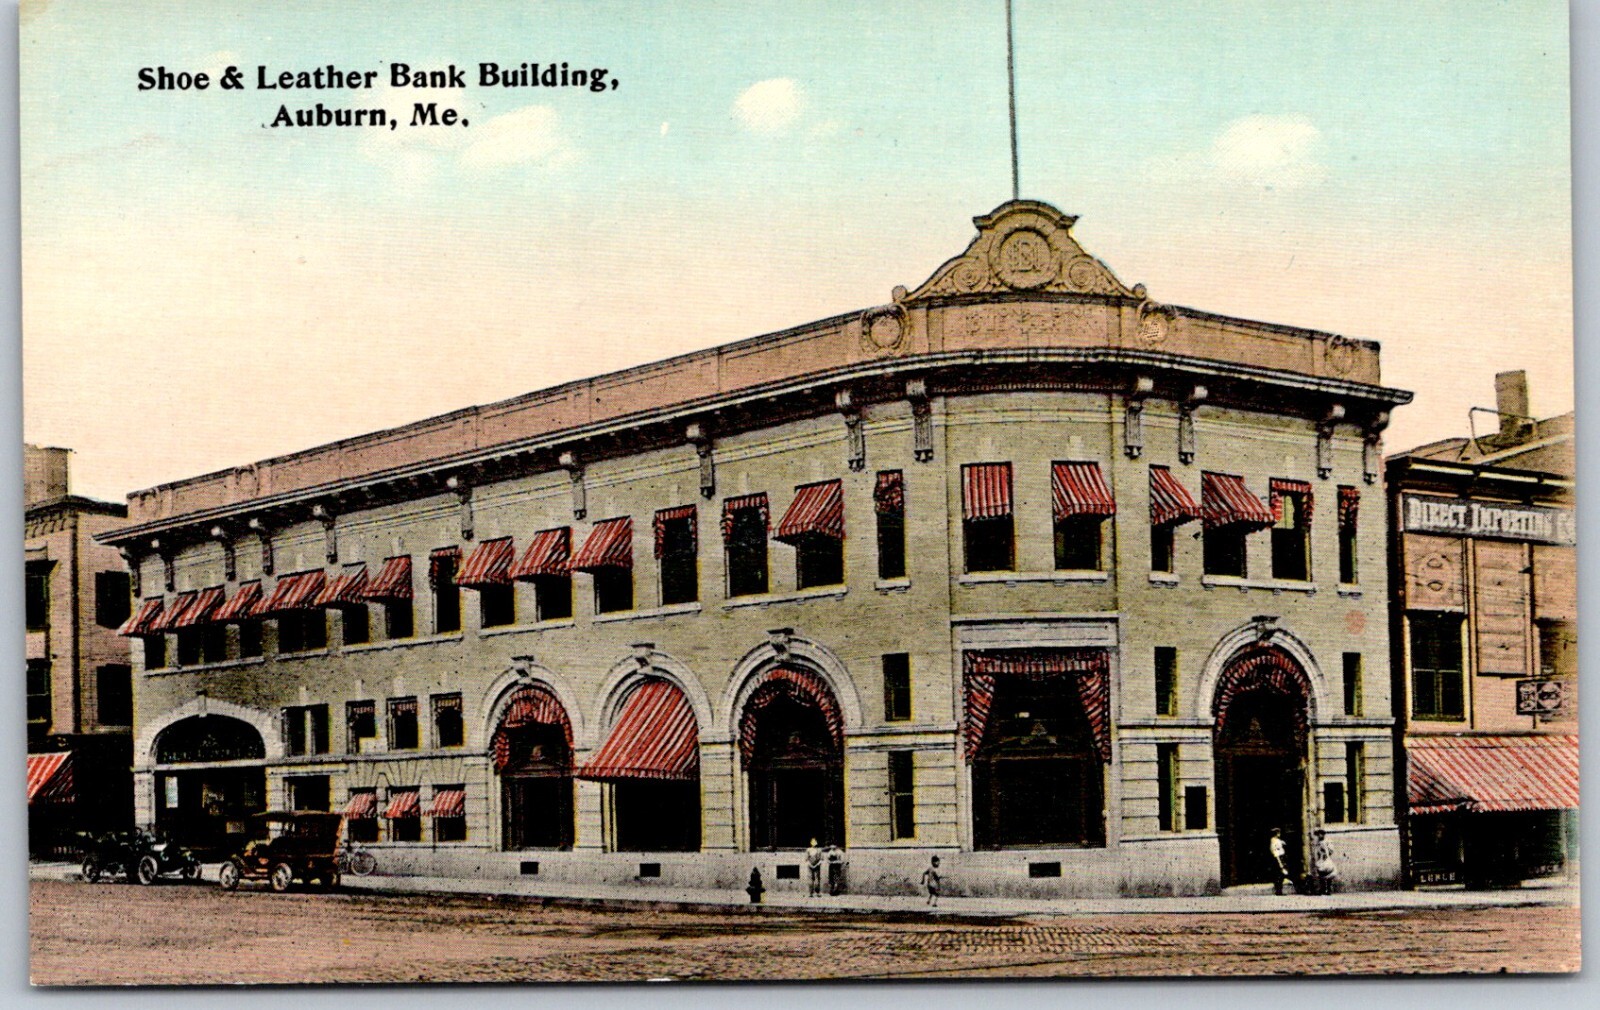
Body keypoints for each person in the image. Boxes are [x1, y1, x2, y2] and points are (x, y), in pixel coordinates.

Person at [1311, 829, 1337, 896]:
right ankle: (1322, 889)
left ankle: (1328, 889)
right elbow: (1316, 851)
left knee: (1328, 875)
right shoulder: (1317, 843)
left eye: (1321, 834)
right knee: (1321, 875)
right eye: (1318, 834)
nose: (1320, 836)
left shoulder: (1327, 842)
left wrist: (1326, 852)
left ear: (1323, 835)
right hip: (1320, 860)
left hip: (1325, 859)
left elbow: (1331, 850)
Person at [1268, 828, 1292, 895]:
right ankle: (1278, 890)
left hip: (1281, 857)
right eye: (1278, 833)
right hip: (1278, 858)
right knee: (1279, 875)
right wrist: (1279, 862)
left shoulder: (1277, 840)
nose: (1279, 834)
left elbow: (1282, 844)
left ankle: (1279, 890)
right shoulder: (1273, 841)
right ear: (1276, 833)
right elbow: (1275, 851)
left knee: (1281, 875)